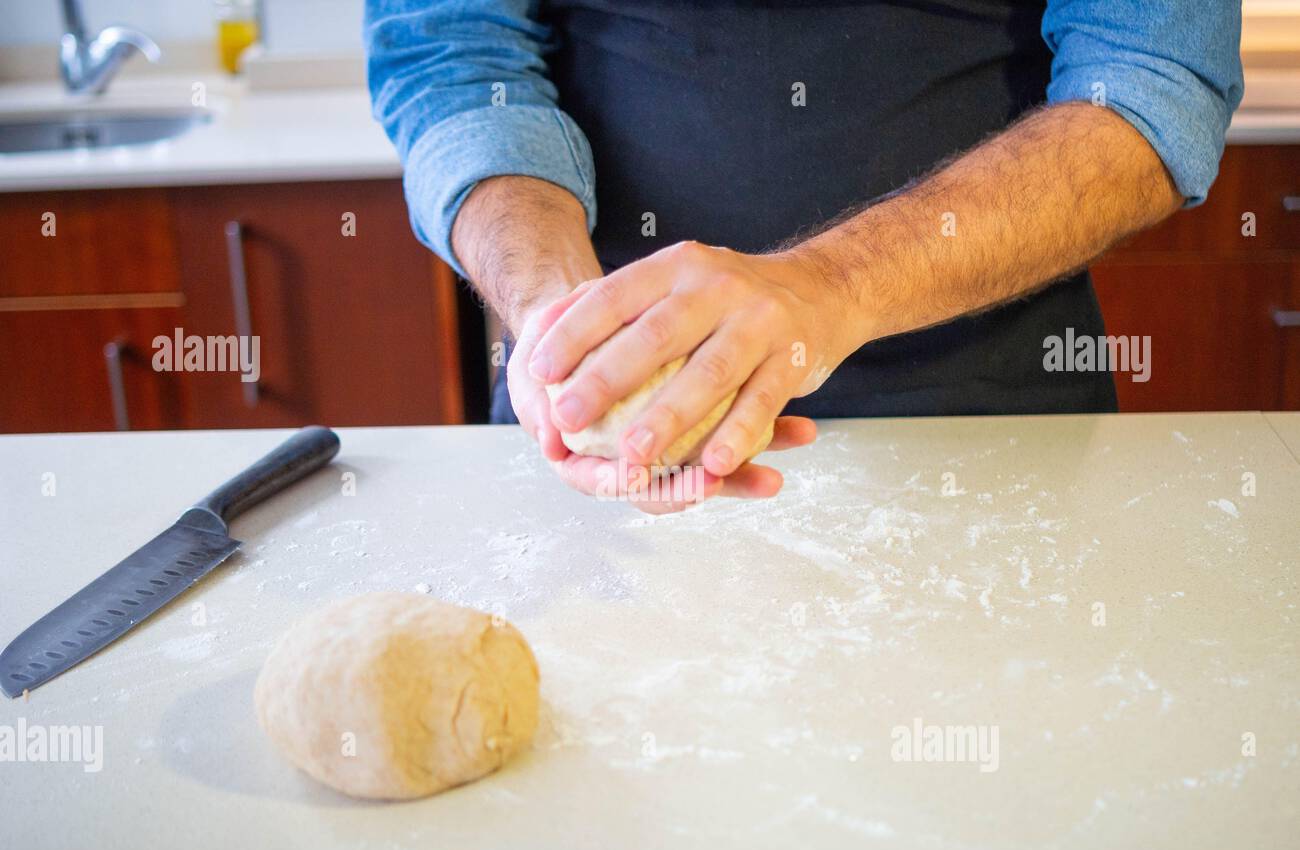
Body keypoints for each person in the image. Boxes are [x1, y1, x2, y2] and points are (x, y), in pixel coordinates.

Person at [365, 0, 1243, 510]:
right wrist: (564, 316)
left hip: (988, 423)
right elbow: (453, 49)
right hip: (609, 415)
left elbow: (1148, 80)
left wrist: (827, 288)